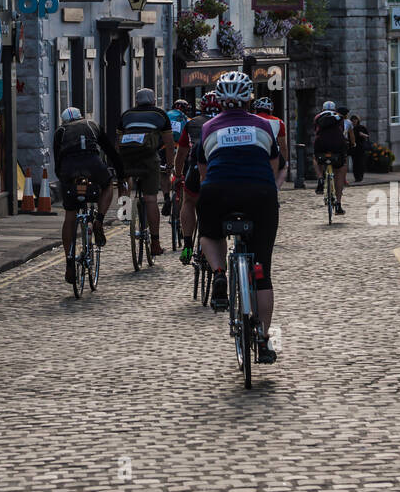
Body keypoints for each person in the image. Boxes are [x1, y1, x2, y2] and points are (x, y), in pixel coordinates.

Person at [195, 71, 280, 363]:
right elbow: (273, 165)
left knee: (209, 231)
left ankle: (219, 273)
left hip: (219, 191)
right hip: (259, 194)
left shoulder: (208, 128)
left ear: (218, 101)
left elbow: (204, 175)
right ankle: (265, 342)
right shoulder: (264, 126)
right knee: (263, 274)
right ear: (250, 99)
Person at [53, 107, 125, 285]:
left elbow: (57, 161)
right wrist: (121, 173)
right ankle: (99, 219)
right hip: (92, 163)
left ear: (64, 122)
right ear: (81, 117)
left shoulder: (60, 132)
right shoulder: (92, 125)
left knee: (70, 216)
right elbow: (110, 151)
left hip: (68, 168)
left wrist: (64, 179)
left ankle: (69, 262)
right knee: (108, 184)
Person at [116, 88, 175, 256]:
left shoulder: (126, 115)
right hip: (149, 158)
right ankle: (155, 243)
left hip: (127, 156)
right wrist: (169, 166)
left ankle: (125, 212)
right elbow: (169, 144)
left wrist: (118, 165)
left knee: (125, 180)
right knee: (150, 199)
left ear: (136, 101)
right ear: (153, 101)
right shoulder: (160, 115)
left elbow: (117, 143)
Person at [174, 90, 220, 264]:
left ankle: (187, 246)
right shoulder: (225, 122)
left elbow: (182, 153)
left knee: (188, 202)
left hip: (195, 169)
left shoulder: (192, 124)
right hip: (219, 170)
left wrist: (178, 175)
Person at [312, 99, 353, 215]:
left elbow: (315, 131)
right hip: (337, 145)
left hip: (321, 144)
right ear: (334, 109)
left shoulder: (318, 117)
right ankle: (338, 204)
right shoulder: (339, 117)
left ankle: (320, 177)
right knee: (340, 171)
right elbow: (343, 132)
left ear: (323, 109)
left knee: (315, 158)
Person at [254, 96, 290, 189]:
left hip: (254, 151)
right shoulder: (279, 122)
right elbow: (283, 146)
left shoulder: (251, 119)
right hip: (271, 153)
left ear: (256, 109)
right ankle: (275, 189)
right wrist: (285, 161)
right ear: (270, 110)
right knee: (283, 169)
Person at [349, 114, 370, 183]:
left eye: (355, 120)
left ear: (358, 120)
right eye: (352, 120)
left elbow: (367, 136)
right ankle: (356, 177)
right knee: (355, 163)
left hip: (361, 148)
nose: (354, 121)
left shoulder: (361, 127)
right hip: (353, 148)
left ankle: (360, 177)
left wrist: (363, 135)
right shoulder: (350, 128)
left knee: (360, 163)